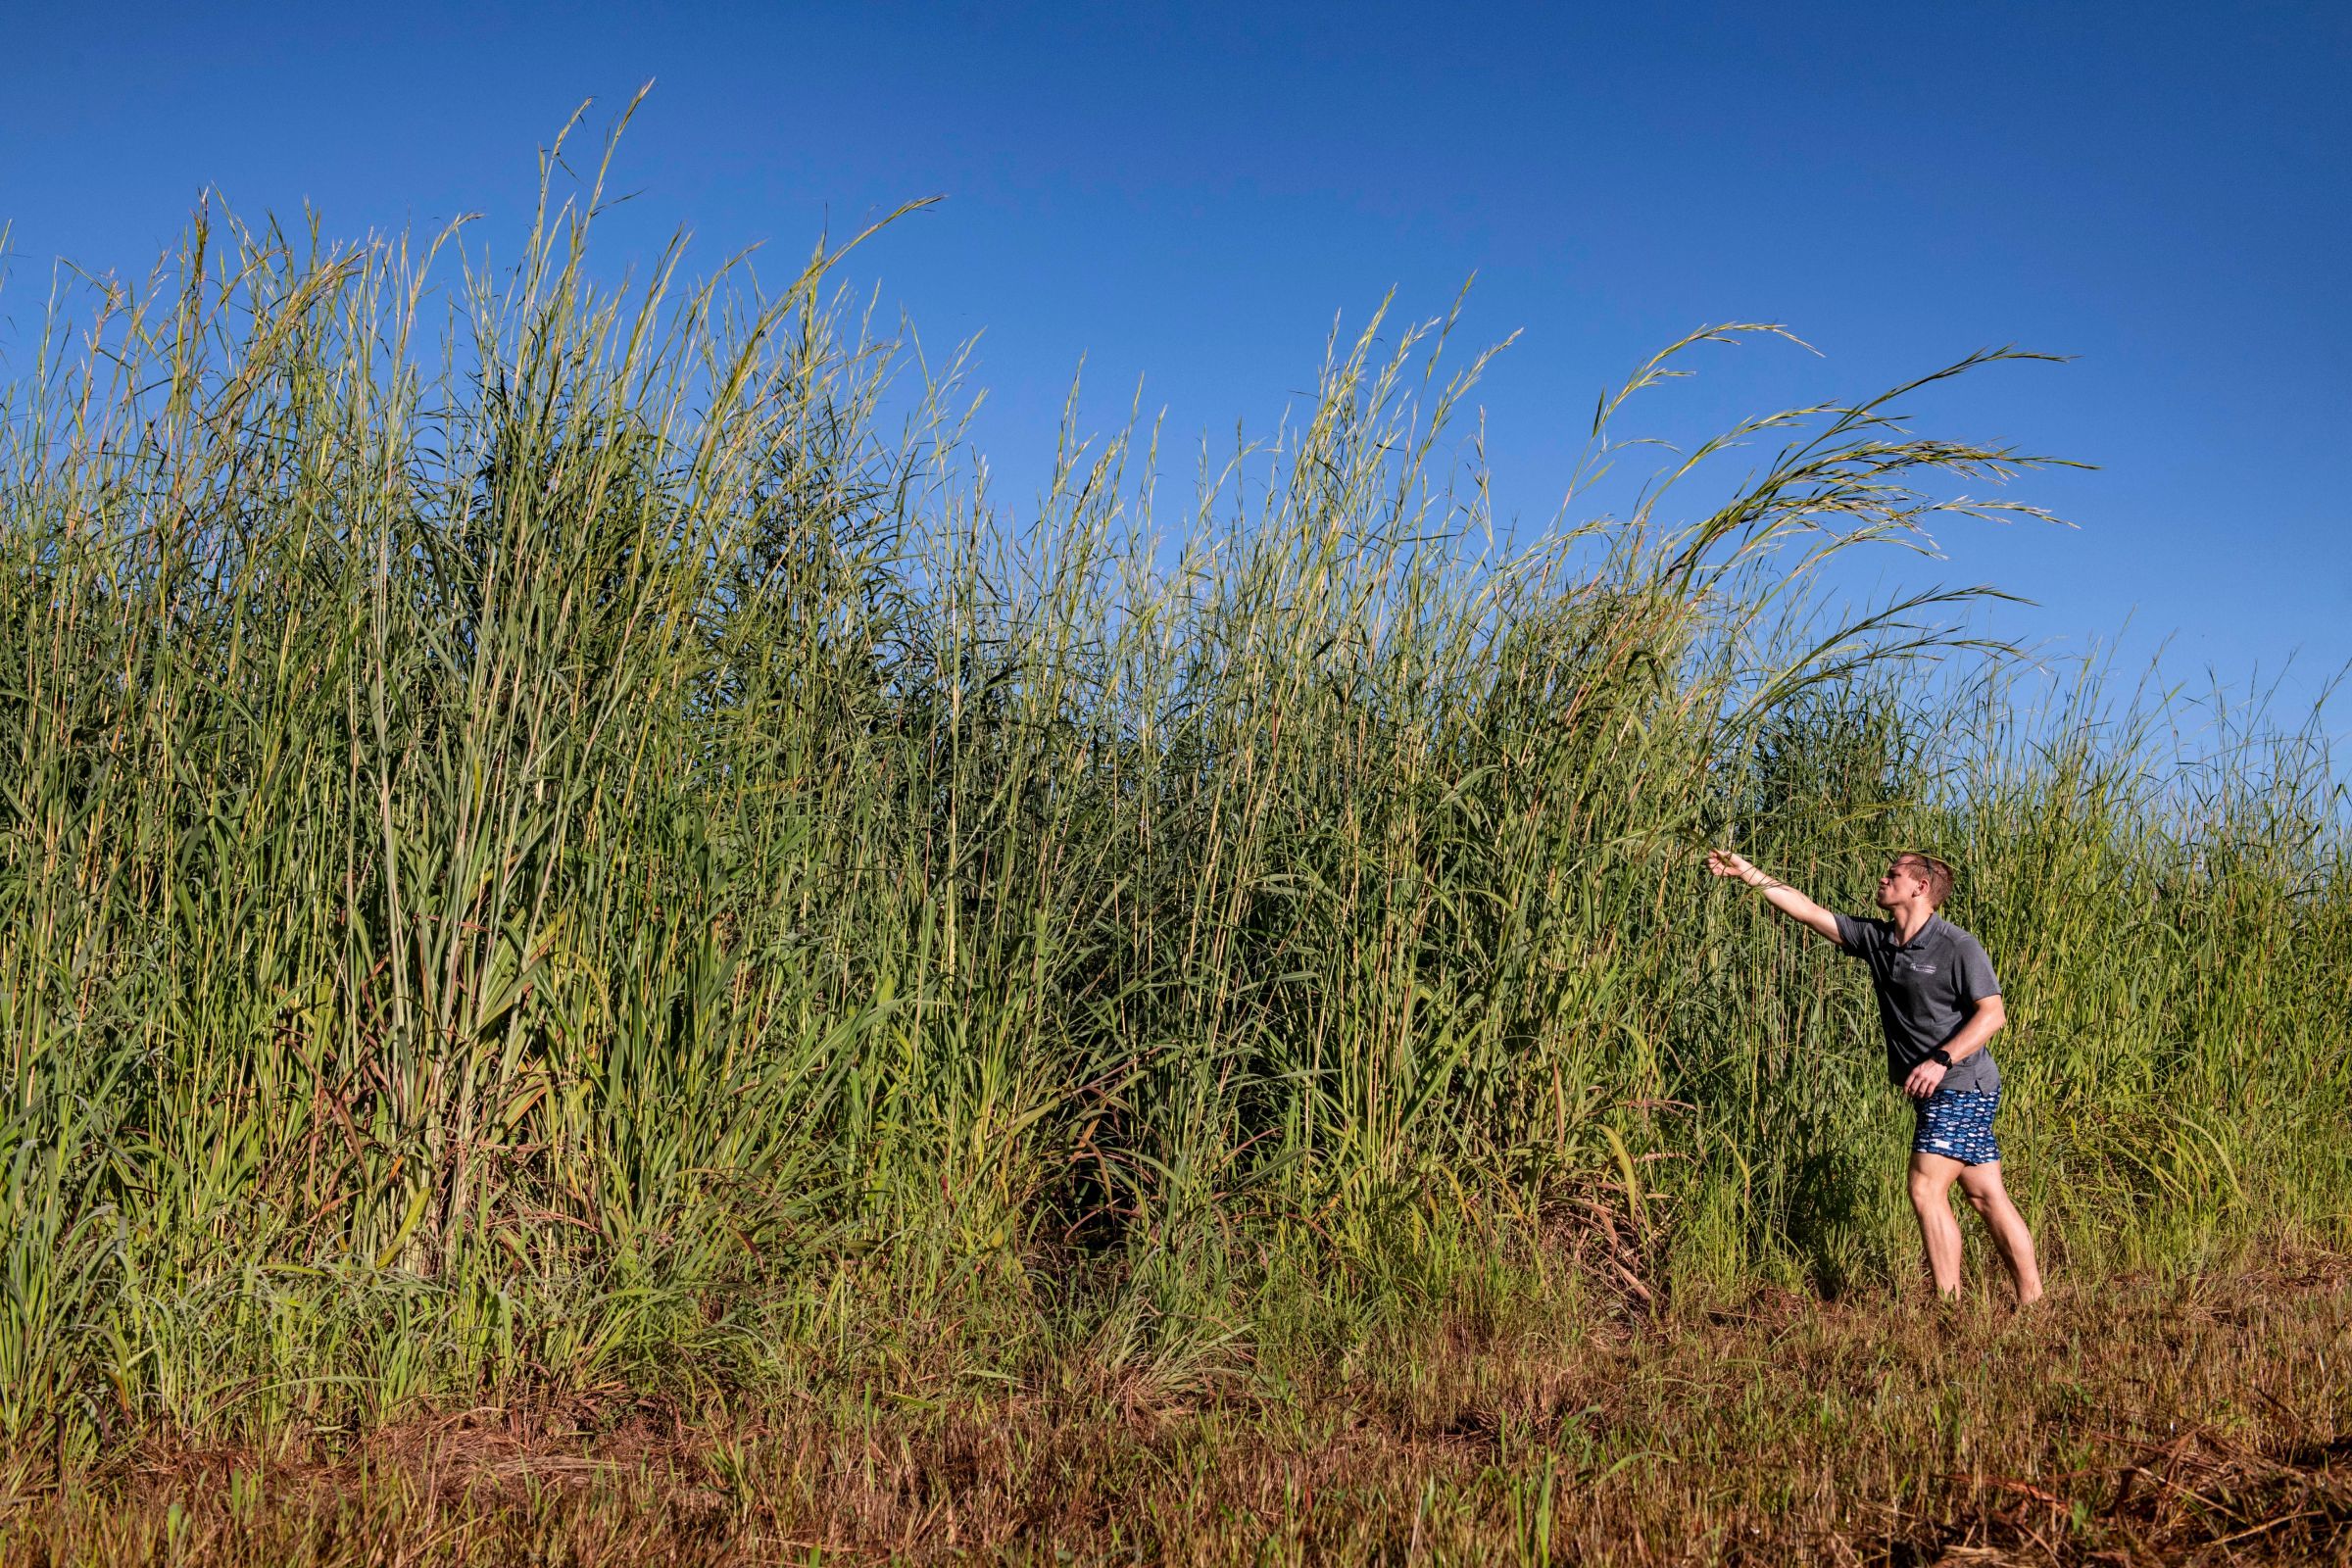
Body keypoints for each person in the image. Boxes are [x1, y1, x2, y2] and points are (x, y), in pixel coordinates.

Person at [1705, 848, 2043, 1305]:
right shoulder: (1879, 941)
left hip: (1962, 1083)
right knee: (1985, 1195)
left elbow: (1993, 1015)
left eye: (1894, 874)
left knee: (1925, 1188)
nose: (1883, 879)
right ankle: (2033, 1301)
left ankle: (1949, 1308)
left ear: (1920, 888)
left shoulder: (1957, 946)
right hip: (1940, 1091)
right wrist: (1745, 871)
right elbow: (1807, 909)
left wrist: (1939, 1059)